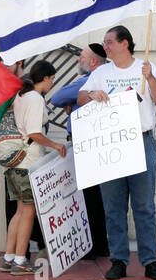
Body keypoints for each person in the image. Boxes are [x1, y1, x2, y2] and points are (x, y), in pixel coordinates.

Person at [77, 25, 156, 280]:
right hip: (110, 145)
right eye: (105, 42)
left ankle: (150, 261)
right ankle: (119, 260)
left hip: (141, 142)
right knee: (114, 206)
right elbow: (81, 97)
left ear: (125, 43)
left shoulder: (146, 67)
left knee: (144, 206)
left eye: (109, 41)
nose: (105, 46)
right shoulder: (102, 72)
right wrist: (93, 94)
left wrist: (150, 78)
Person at [1, 60, 66, 275]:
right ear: (45, 78)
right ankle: (20, 260)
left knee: (19, 212)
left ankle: (8, 257)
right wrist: (56, 145)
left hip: (14, 163)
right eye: (52, 79)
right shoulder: (36, 99)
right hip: (29, 162)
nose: (52, 84)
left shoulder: (21, 95)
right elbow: (34, 134)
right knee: (28, 212)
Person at [47, 43, 111, 258]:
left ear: (93, 62)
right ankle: (100, 244)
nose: (78, 60)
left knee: (89, 197)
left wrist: (72, 104)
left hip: (86, 144)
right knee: (98, 197)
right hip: (99, 144)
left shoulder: (86, 82)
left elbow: (56, 98)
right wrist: (75, 104)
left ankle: (93, 246)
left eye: (82, 57)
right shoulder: (105, 78)